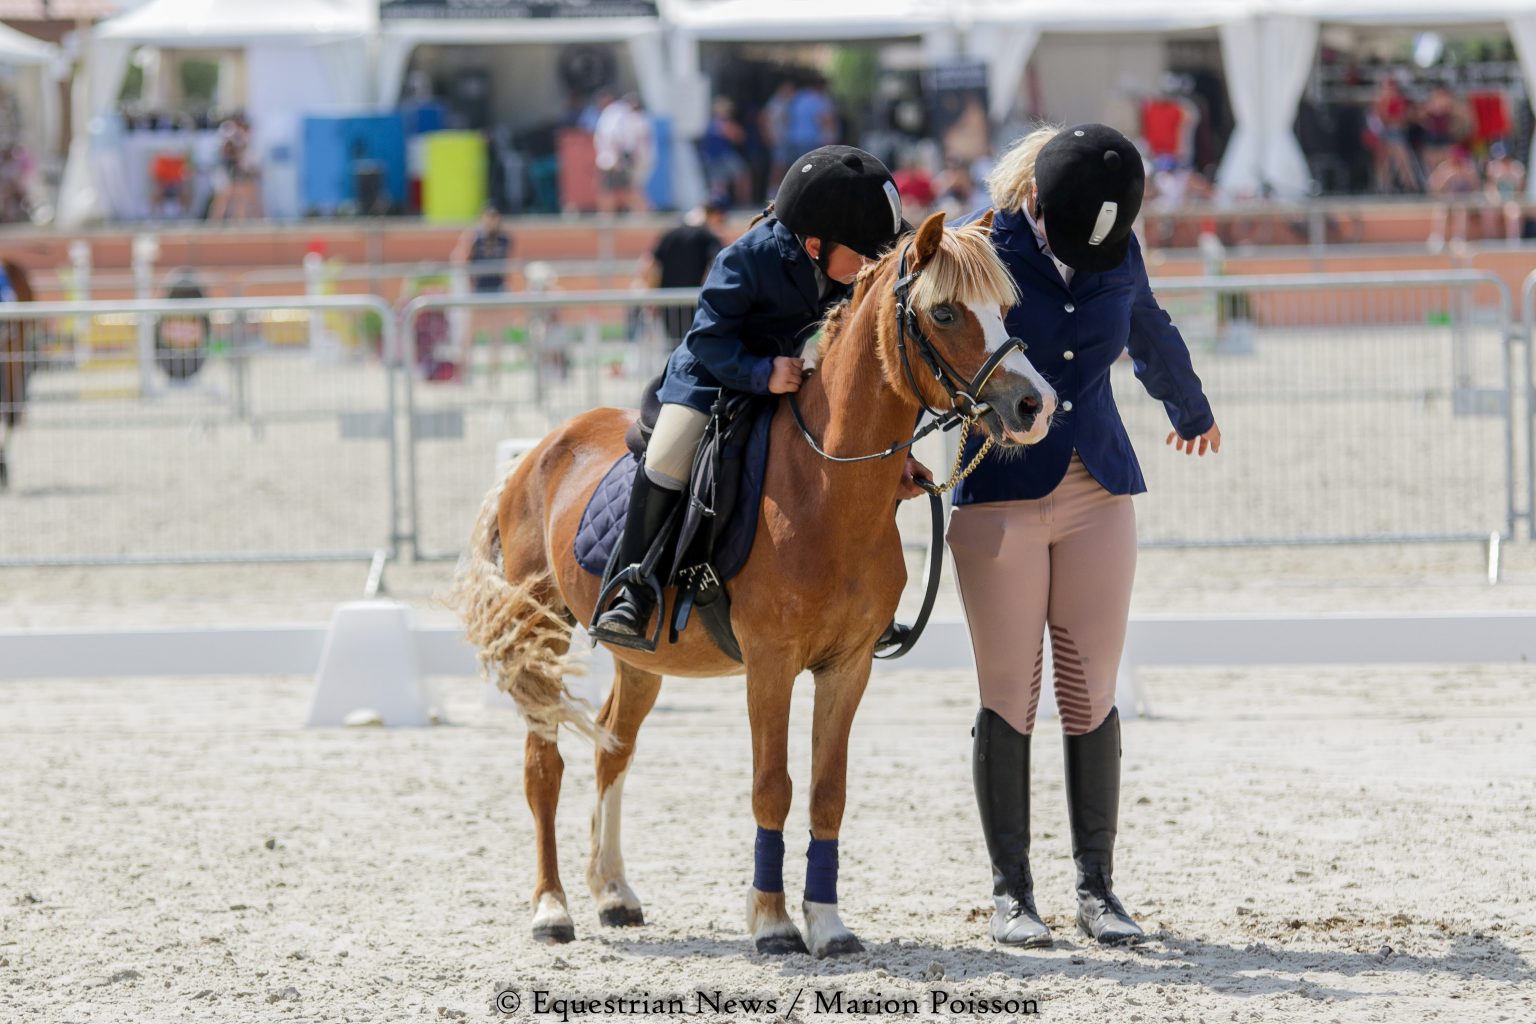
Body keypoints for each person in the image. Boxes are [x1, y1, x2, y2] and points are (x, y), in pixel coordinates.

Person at [952, 124, 1221, 948]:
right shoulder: (978, 247)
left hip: (1098, 484)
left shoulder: (1114, 239)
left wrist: (1190, 408)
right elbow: (933, 350)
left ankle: (1097, 890)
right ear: (1034, 199)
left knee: (1090, 688)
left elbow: (1145, 322)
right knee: (1010, 692)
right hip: (1000, 488)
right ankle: (1011, 894)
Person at [591, 145, 911, 645]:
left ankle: (863, 597)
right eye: (865, 255)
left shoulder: (841, 263)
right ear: (814, 245)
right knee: (669, 457)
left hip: (784, 378)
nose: (871, 266)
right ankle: (633, 588)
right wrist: (762, 373)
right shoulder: (746, 258)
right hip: (710, 377)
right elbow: (707, 339)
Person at [642, 200, 727, 345]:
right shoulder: (709, 237)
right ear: (715, 215)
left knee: (675, 348)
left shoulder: (670, 233)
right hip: (696, 305)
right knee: (696, 349)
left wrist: (652, 296)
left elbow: (649, 265)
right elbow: (717, 265)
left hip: (668, 304)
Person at [595, 93, 653, 214]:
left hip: (615, 159)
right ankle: (609, 216)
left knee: (628, 188)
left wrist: (619, 157)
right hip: (611, 158)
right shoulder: (613, 114)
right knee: (610, 188)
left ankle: (644, 211)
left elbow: (616, 137)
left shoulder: (616, 113)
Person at [452, 205, 513, 293]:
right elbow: (463, 260)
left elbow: (508, 261)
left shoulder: (505, 239)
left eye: (494, 218)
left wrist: (507, 282)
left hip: (497, 282)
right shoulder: (474, 237)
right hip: (479, 283)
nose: (492, 222)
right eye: (489, 218)